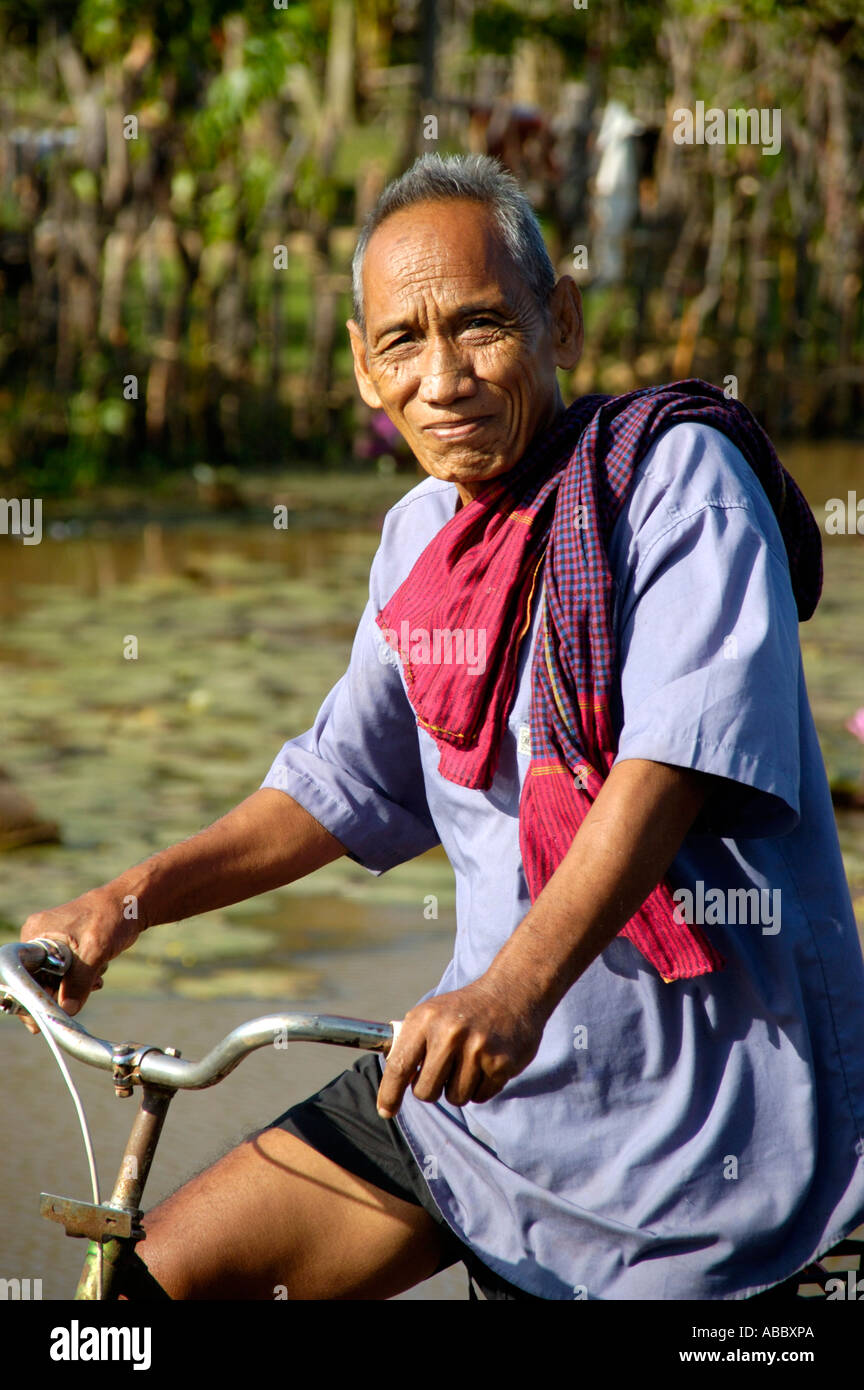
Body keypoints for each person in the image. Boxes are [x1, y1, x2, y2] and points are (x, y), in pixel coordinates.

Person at [19, 153, 864, 1301]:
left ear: (556, 316)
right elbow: (336, 783)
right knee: (135, 1296)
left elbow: (664, 772)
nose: (445, 378)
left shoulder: (678, 482)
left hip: (702, 1140)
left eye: (479, 325)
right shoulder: (419, 537)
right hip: (477, 1108)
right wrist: (122, 902)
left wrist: (510, 992)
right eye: (404, 343)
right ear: (366, 371)